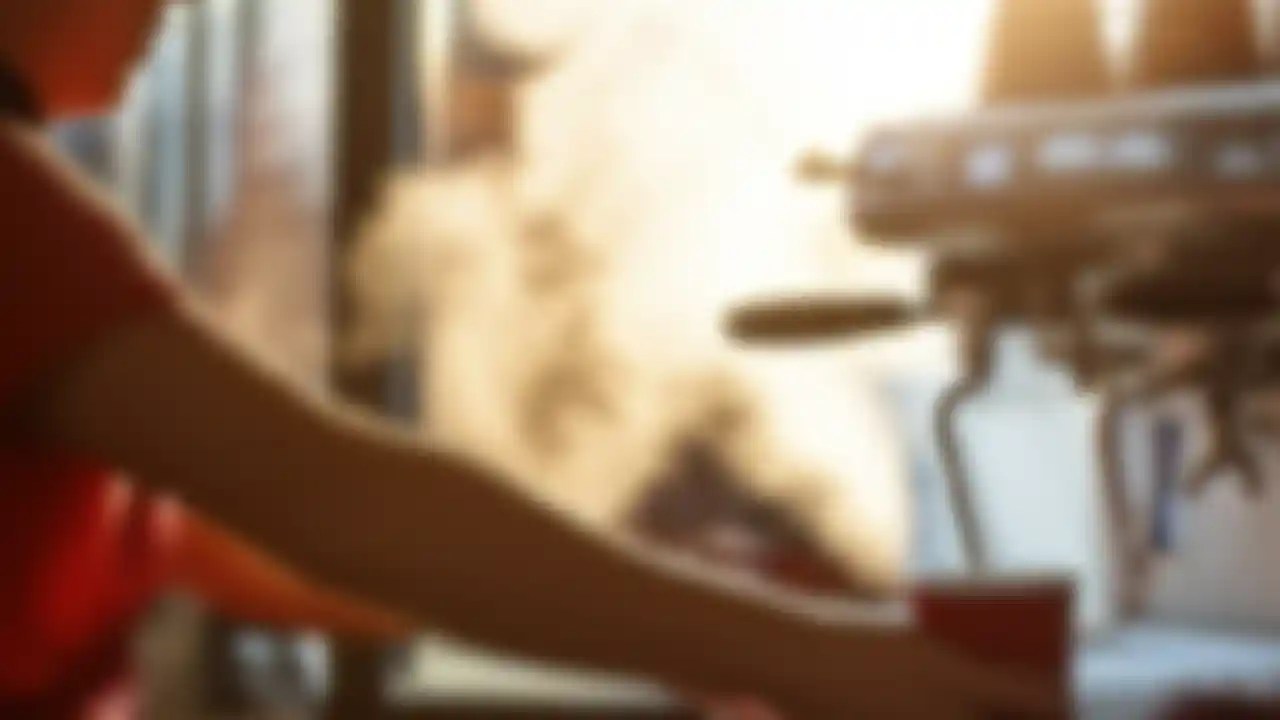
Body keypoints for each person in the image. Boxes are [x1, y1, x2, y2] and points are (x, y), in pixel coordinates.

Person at [0, 1, 1058, 718]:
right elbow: (339, 503)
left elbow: (203, 541)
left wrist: (672, 609)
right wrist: (812, 657)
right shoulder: (21, 219)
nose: (168, 10)